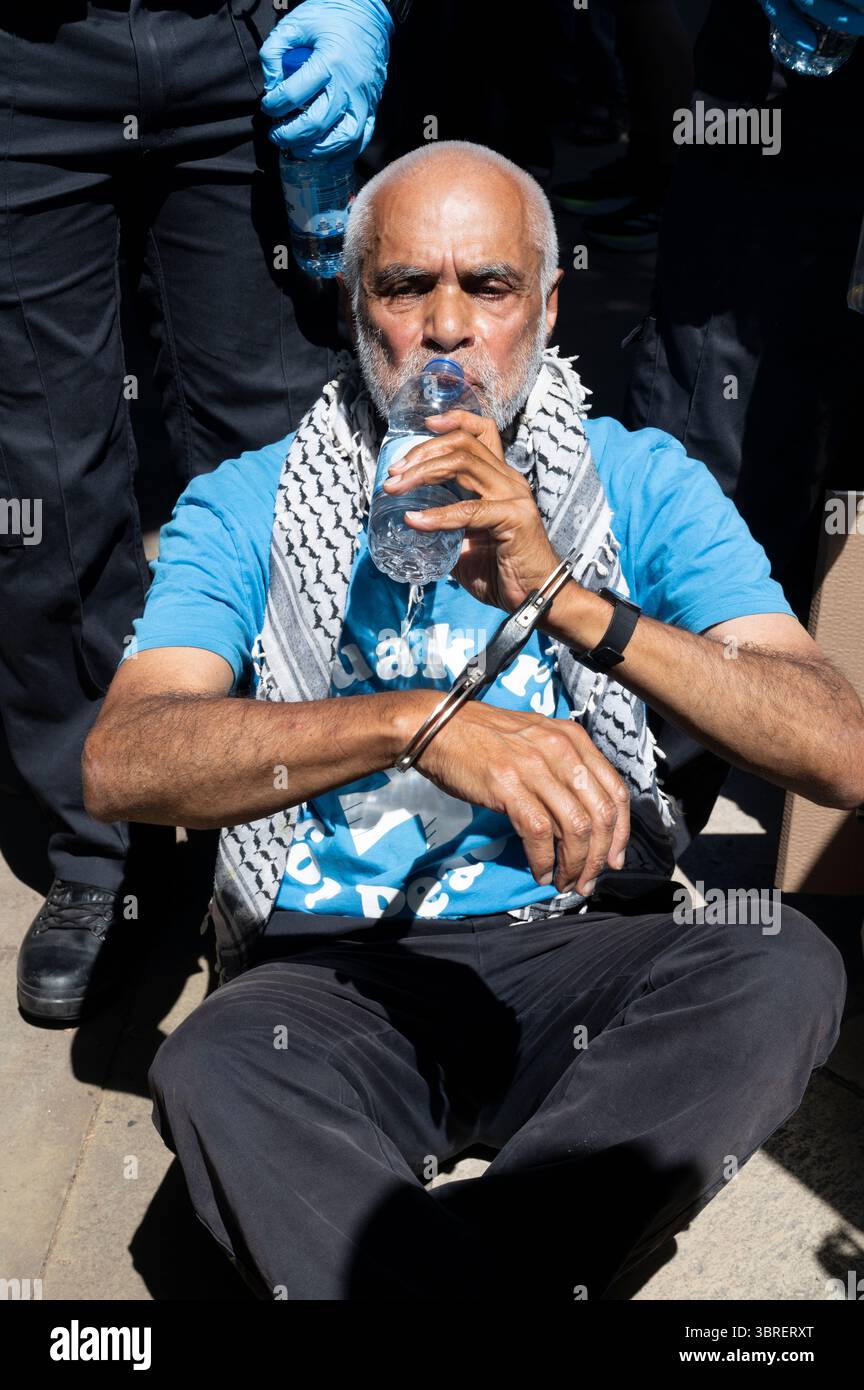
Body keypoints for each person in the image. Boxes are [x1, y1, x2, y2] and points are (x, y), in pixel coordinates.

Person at [83, 142, 857, 1300]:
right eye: (406, 288)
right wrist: (413, 723)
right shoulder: (251, 499)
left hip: (574, 947)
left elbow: (838, 747)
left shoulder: (636, 481)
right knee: (213, 1066)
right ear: (357, 309)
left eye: (487, 287)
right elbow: (123, 760)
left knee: (779, 964)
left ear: (546, 306)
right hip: (329, 975)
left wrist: (570, 595)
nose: (447, 329)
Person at [4, 0, 405, 1022]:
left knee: (290, 453)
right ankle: (104, 840)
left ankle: (304, 818)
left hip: (247, 36)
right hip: (24, 60)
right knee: (43, 483)